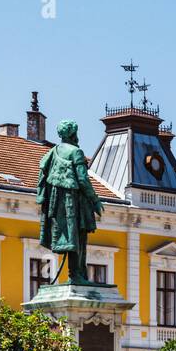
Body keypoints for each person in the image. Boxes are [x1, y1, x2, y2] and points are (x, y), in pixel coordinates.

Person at [36, 119, 104, 284]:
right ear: (73, 134)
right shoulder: (76, 152)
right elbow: (82, 179)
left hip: (56, 203)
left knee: (70, 237)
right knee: (78, 238)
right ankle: (77, 274)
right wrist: (95, 200)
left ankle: (76, 274)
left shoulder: (52, 152)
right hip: (73, 202)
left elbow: (43, 176)